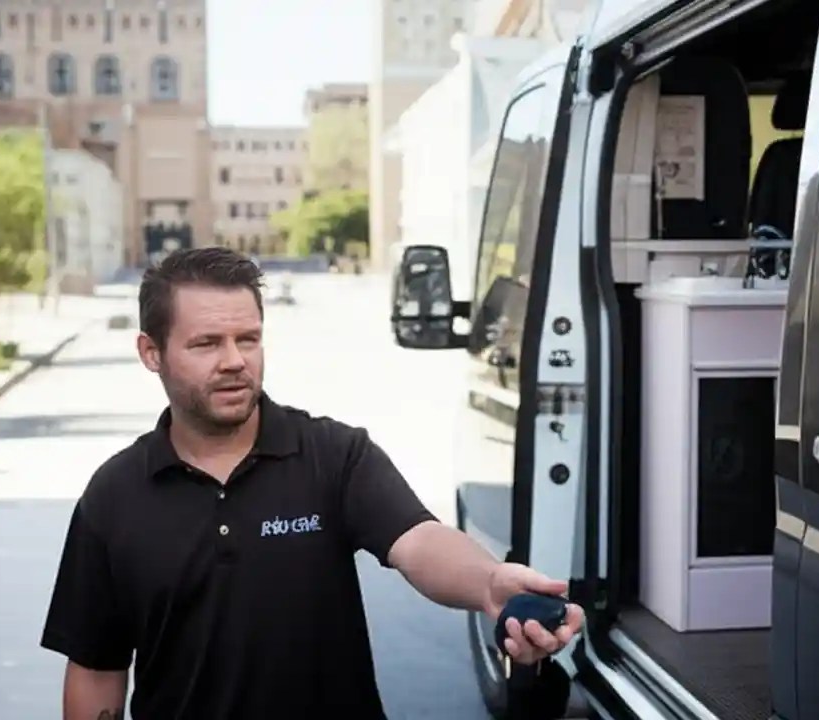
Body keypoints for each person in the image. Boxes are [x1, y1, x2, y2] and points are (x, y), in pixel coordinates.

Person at [40, 247, 585, 719]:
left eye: (248, 339)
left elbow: (419, 541)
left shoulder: (333, 455)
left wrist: (487, 584)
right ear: (151, 352)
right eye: (206, 344)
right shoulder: (114, 495)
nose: (234, 361)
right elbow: (97, 667)